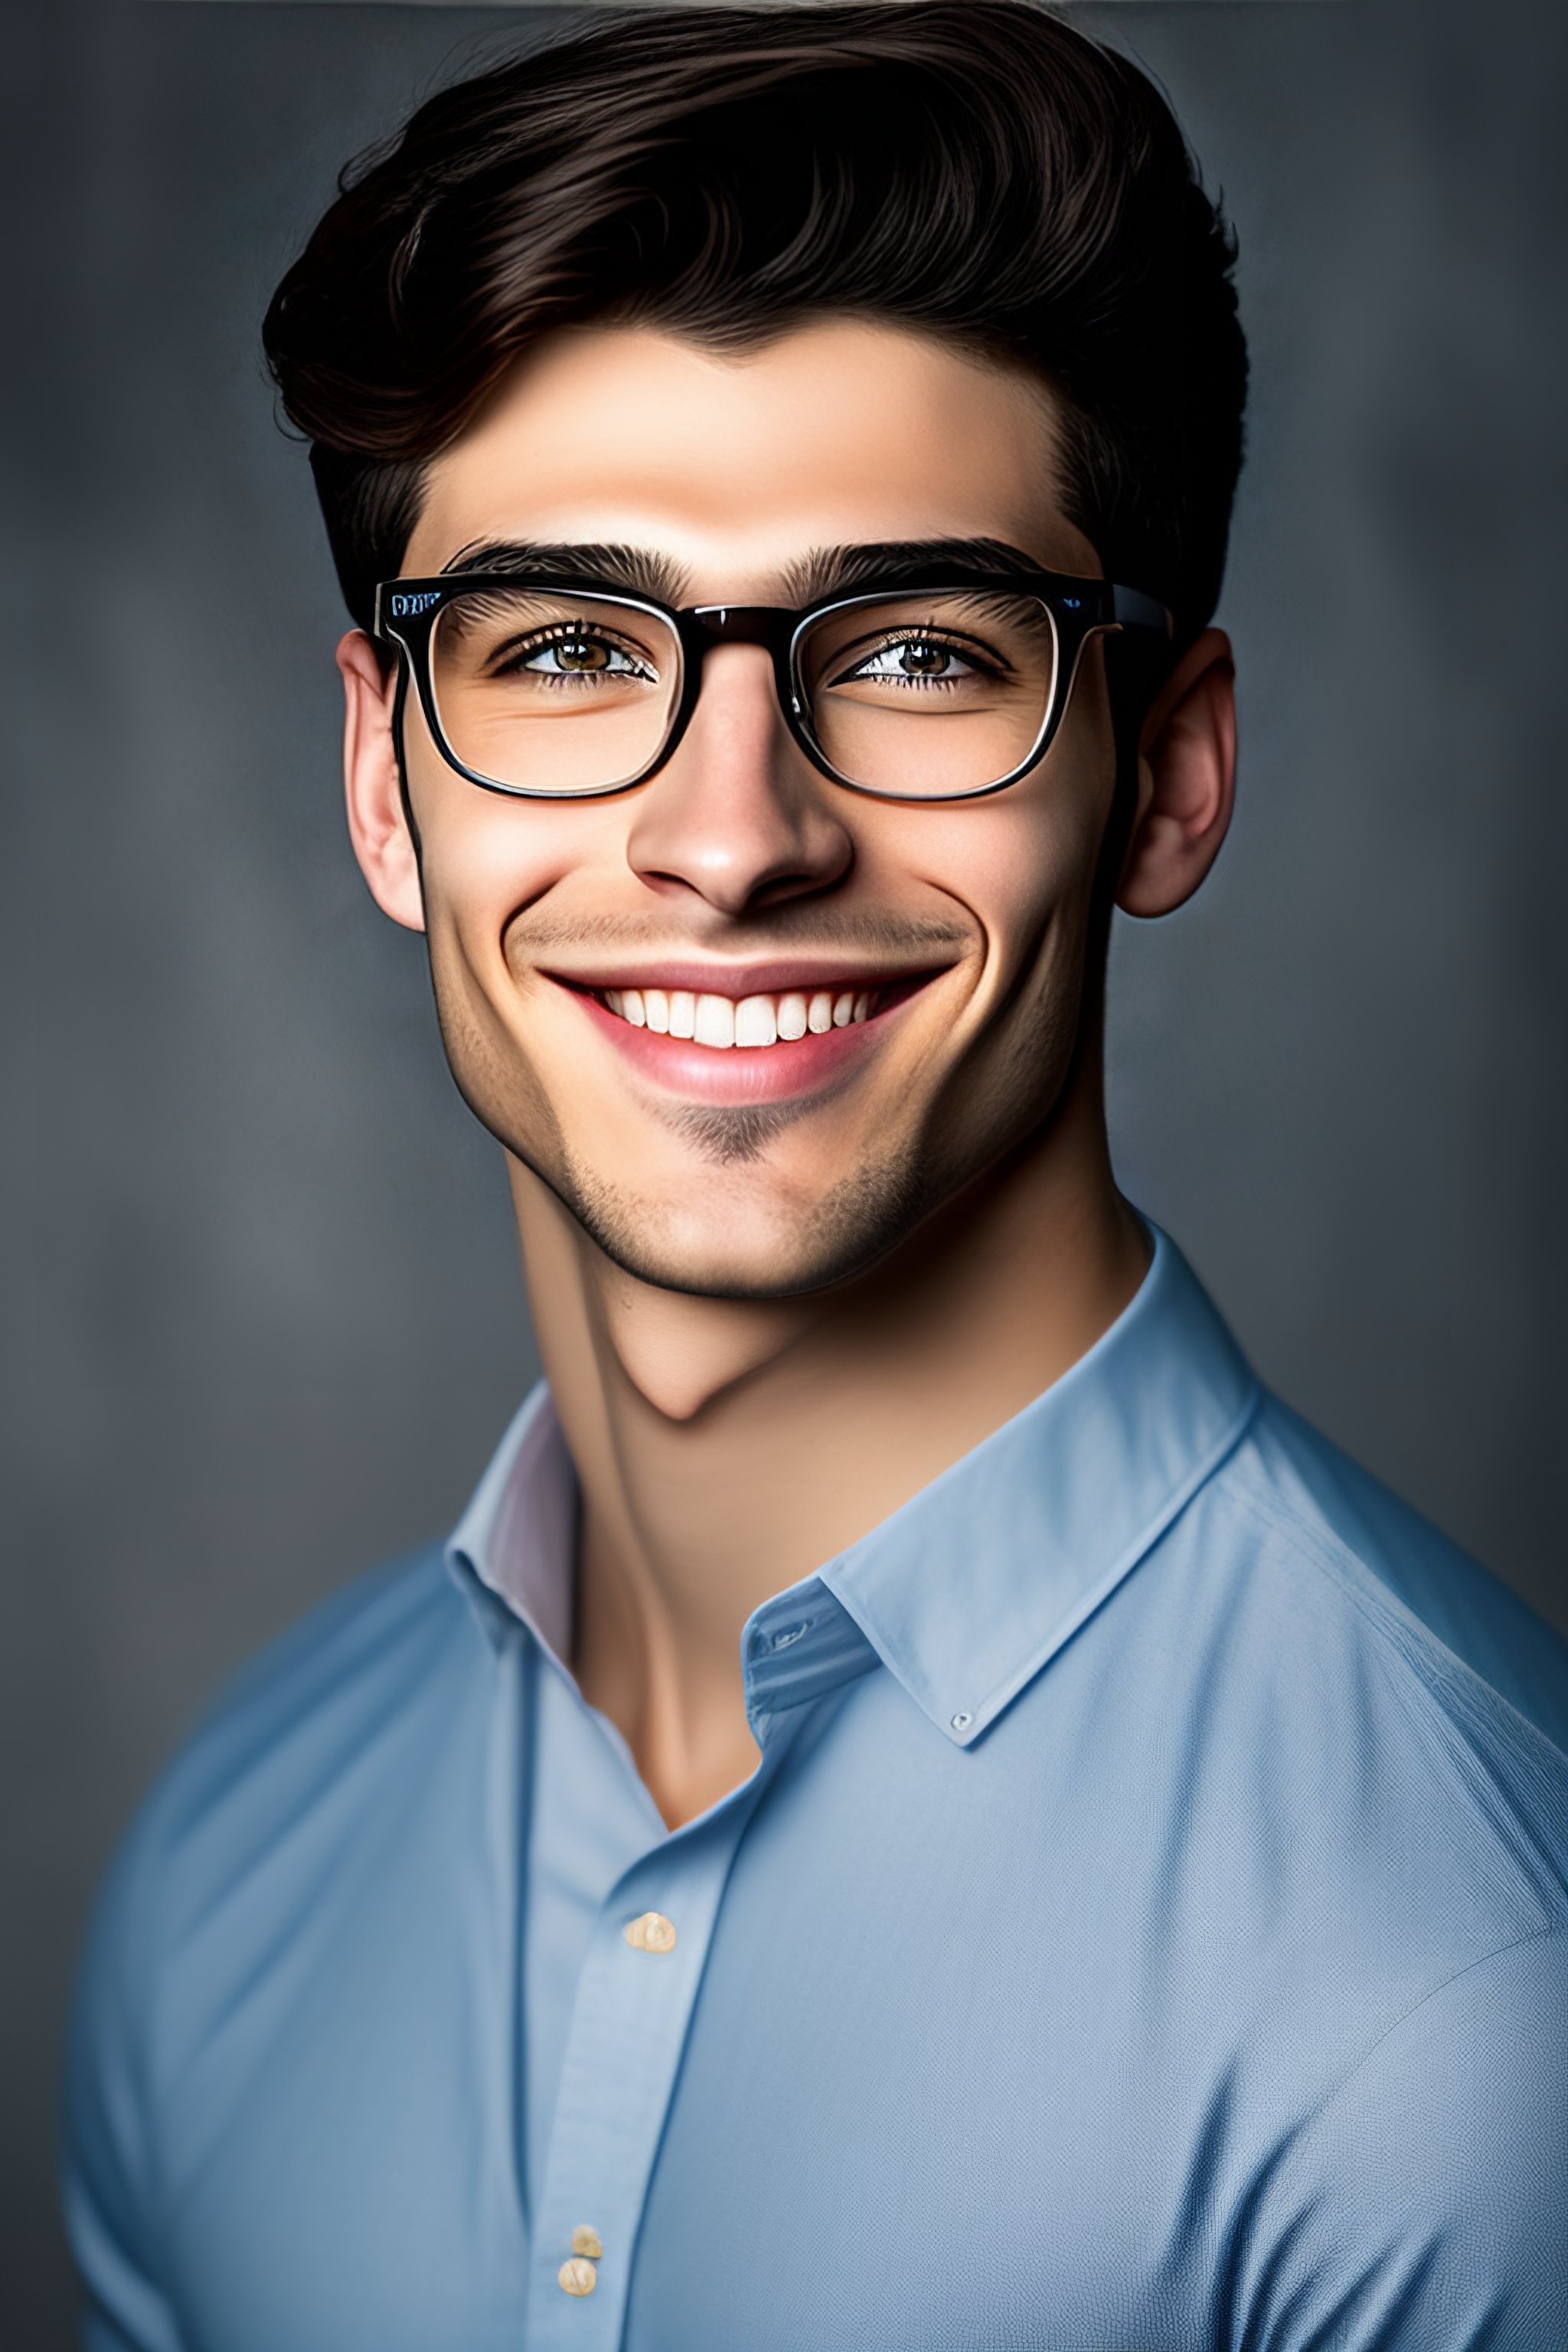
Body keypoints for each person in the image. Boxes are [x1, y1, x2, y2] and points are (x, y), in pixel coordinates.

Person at [64, 5, 1568, 2347]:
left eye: (918, 653)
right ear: (387, 787)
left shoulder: (1474, 2026)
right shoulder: (222, 1878)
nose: (733, 836)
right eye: (563, 644)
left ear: (1165, 777)